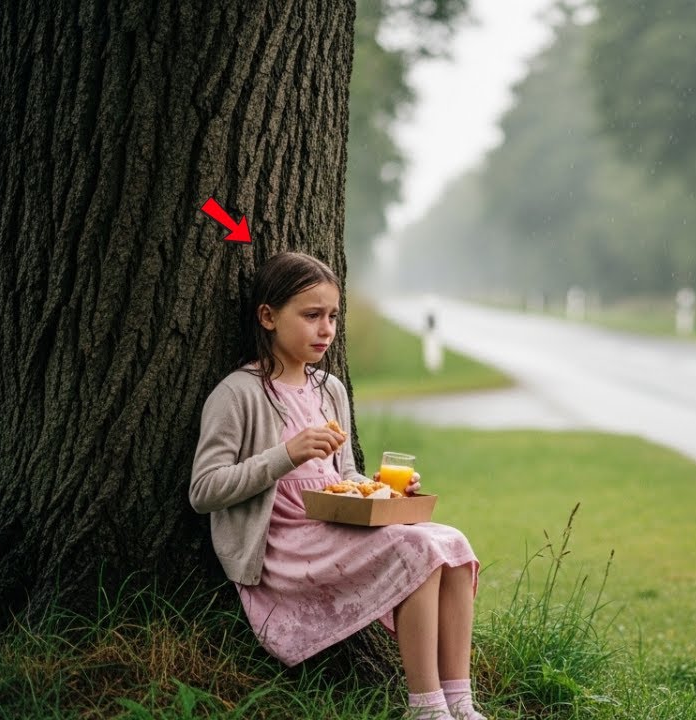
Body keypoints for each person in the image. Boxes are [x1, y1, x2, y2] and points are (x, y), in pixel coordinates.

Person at [190, 251, 486, 719]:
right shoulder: (238, 394)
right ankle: (426, 708)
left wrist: (384, 493)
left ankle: (461, 704)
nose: (326, 330)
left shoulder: (330, 389)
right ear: (267, 316)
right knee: (421, 551)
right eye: (311, 316)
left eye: (332, 316)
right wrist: (285, 455)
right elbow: (204, 489)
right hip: (284, 546)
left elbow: (343, 477)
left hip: (334, 529)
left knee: (453, 543)